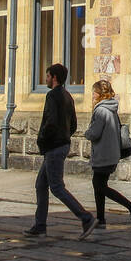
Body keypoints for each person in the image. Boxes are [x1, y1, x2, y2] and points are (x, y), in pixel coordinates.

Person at [25, 63, 96, 239]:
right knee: (41, 185)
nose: (46, 79)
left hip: (54, 147)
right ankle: (40, 225)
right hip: (61, 144)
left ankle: (86, 218)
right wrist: (64, 136)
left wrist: (42, 138)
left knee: (56, 187)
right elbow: (73, 124)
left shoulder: (52, 96)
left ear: (54, 77)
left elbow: (50, 122)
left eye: (48, 76)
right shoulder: (67, 96)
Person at [84, 80, 131, 229]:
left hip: (104, 154)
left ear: (100, 94)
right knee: (99, 185)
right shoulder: (111, 108)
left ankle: (130, 206)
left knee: (99, 186)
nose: (92, 95)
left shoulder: (101, 110)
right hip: (110, 153)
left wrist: (86, 133)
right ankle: (100, 219)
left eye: (94, 92)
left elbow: (95, 133)